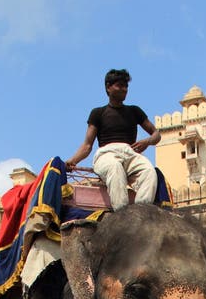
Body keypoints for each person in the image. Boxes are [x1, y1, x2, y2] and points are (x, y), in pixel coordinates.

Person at [65, 68, 161, 210]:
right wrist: (72, 161)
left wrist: (147, 142)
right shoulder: (98, 113)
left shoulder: (134, 111)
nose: (124, 89)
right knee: (115, 168)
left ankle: (140, 213)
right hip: (107, 155)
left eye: (126, 86)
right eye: (120, 85)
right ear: (108, 87)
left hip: (131, 154)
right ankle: (121, 214)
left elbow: (156, 134)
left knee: (149, 172)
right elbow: (87, 146)